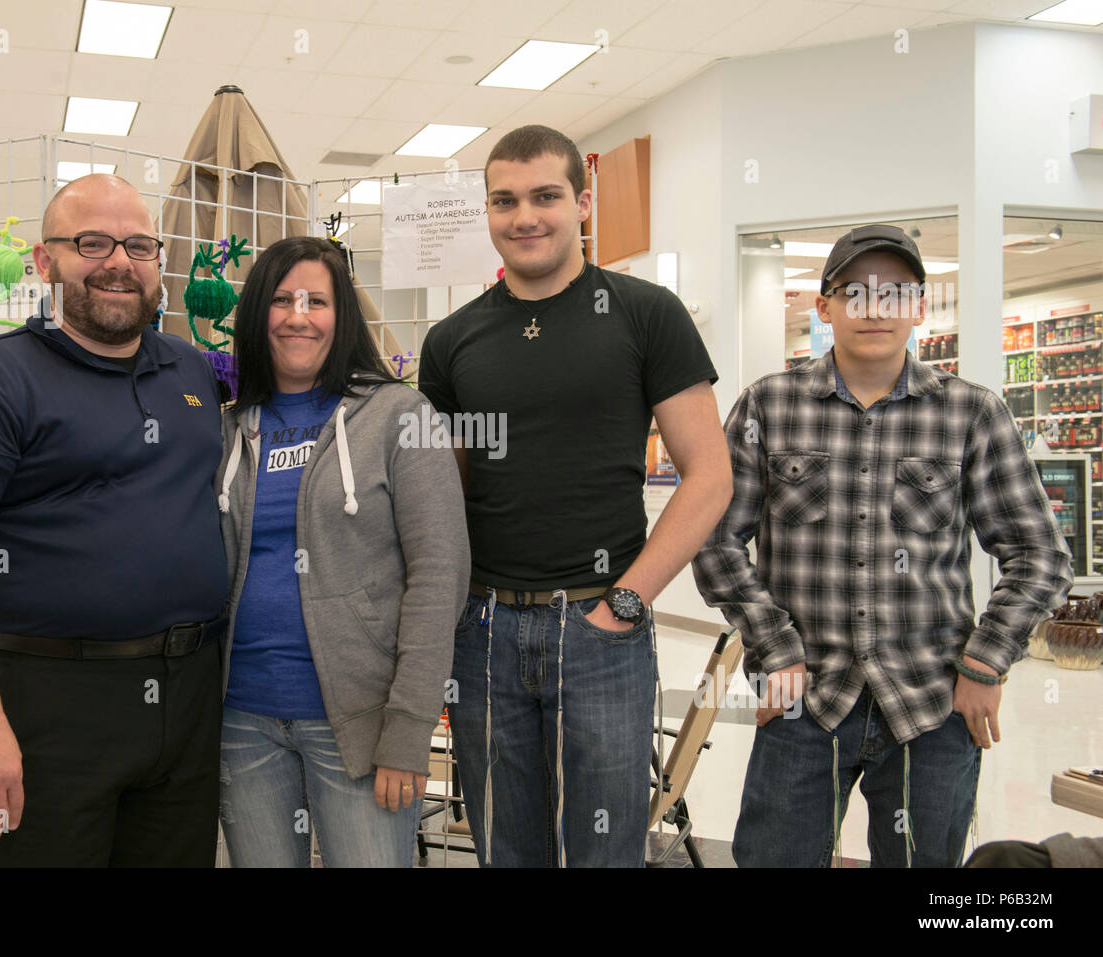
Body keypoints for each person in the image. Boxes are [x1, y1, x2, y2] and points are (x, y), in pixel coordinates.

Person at [692, 224, 1074, 867]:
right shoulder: (769, 404)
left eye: (896, 293)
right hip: (803, 702)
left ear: (921, 306)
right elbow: (714, 540)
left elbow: (1039, 553)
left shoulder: (971, 413)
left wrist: (985, 663)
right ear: (824, 307)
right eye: (855, 292)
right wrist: (774, 647)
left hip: (934, 703)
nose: (877, 309)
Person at [418, 125, 733, 867]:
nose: (524, 216)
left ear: (583, 202)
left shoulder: (646, 313)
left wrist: (624, 604)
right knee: (504, 849)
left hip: (602, 630)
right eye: (504, 200)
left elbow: (711, 475)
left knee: (604, 851)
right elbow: (445, 494)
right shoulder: (452, 340)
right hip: (485, 630)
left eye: (545, 196)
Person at [0, 174, 229, 866]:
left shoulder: (192, 374)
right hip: (44, 703)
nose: (118, 262)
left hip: (188, 695)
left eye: (138, 245)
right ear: (44, 262)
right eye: (92, 242)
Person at [214, 236, 468, 867]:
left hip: (361, 723)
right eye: (280, 300)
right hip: (240, 720)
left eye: (317, 301)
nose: (298, 315)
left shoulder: (400, 415)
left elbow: (440, 577)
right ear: (256, 315)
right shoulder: (227, 424)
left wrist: (409, 731)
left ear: (342, 316)